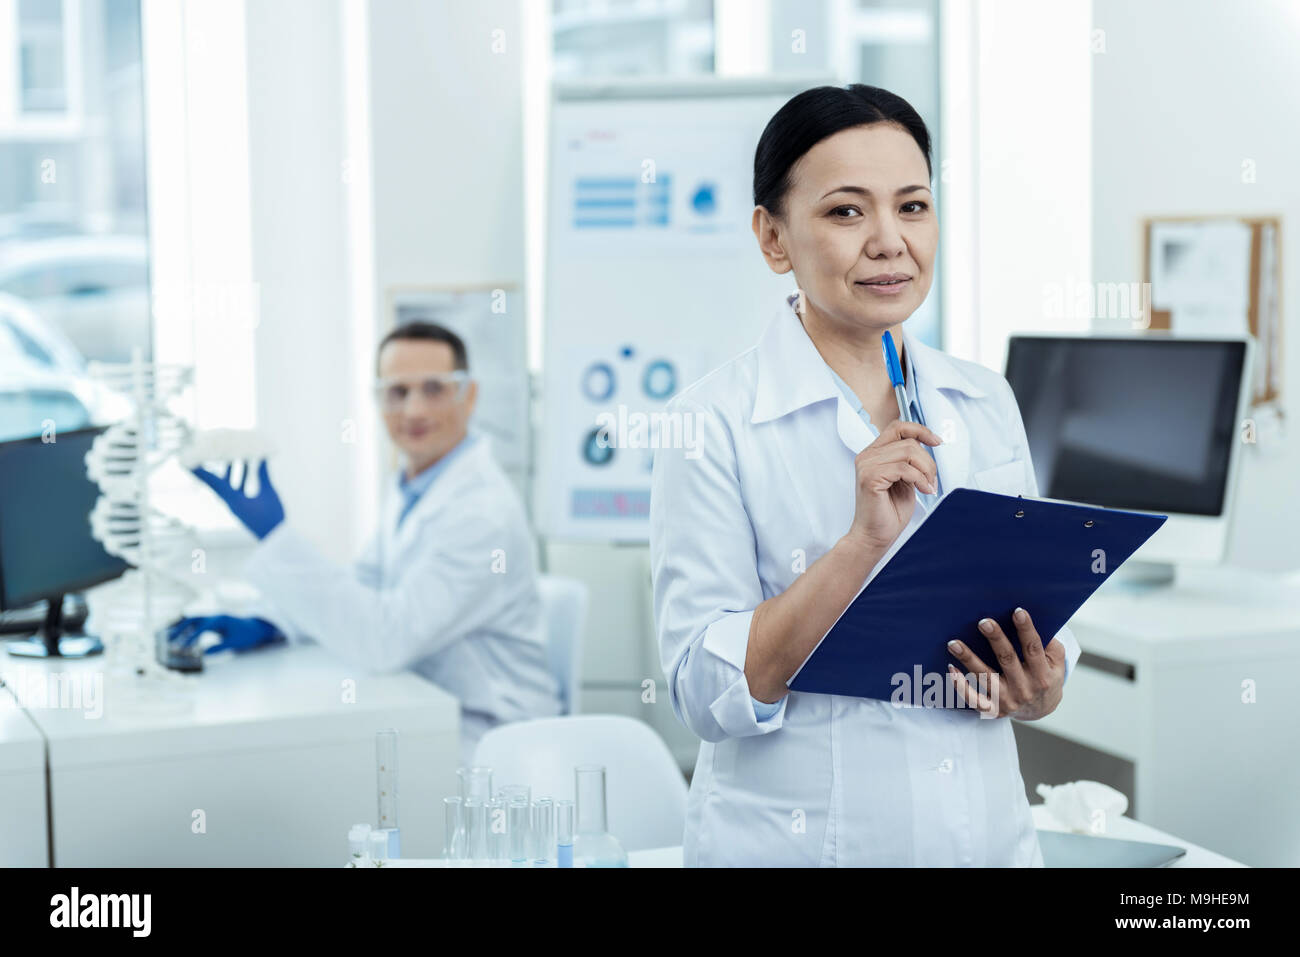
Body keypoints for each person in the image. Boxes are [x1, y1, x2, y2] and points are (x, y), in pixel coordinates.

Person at [649, 84, 1082, 867]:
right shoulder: (709, 425)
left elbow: (1038, 621)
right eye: (847, 211)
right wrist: (857, 547)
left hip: (984, 841)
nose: (889, 241)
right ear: (773, 238)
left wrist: (1040, 685)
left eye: (912, 206)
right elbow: (703, 693)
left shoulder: (984, 399)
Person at [173, 321, 562, 762]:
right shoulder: (415, 485)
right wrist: (271, 624)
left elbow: (385, 640)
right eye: (397, 392)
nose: (413, 409)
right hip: (427, 709)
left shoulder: (482, 513)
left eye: (434, 388)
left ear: (468, 396)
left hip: (491, 740)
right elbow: (365, 585)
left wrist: (274, 536)